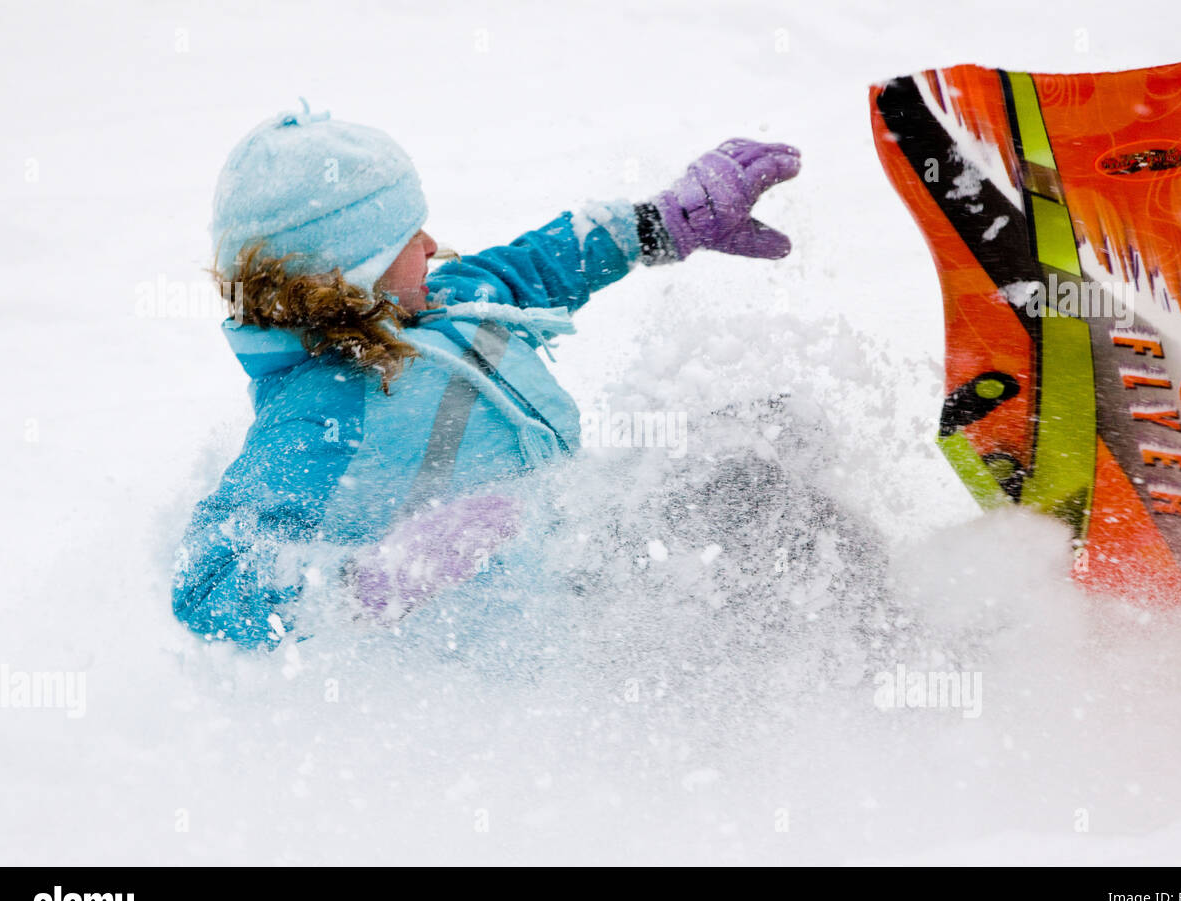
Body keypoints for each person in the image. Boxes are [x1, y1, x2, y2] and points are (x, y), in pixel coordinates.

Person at [172, 102, 801, 649]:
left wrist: (663, 221)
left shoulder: (452, 299)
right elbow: (207, 587)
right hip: (538, 631)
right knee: (742, 494)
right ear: (346, 276)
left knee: (768, 437)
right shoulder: (317, 416)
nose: (431, 245)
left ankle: (849, 637)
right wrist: (365, 582)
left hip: (591, 544)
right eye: (404, 237)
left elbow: (542, 265)